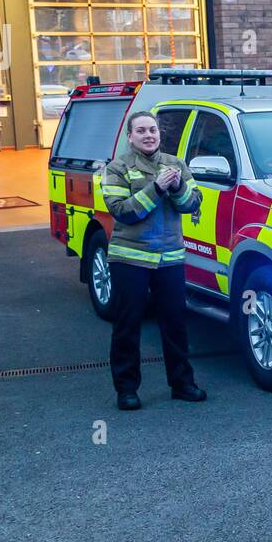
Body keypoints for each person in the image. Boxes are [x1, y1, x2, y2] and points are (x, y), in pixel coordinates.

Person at [100, 110, 206, 409]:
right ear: (130, 136)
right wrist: (157, 187)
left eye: (153, 130)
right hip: (129, 260)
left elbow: (192, 204)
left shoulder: (175, 164)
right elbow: (124, 211)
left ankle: (183, 383)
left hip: (169, 258)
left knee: (175, 324)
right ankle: (127, 389)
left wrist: (177, 187)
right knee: (127, 326)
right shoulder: (117, 168)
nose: (149, 135)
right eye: (142, 131)